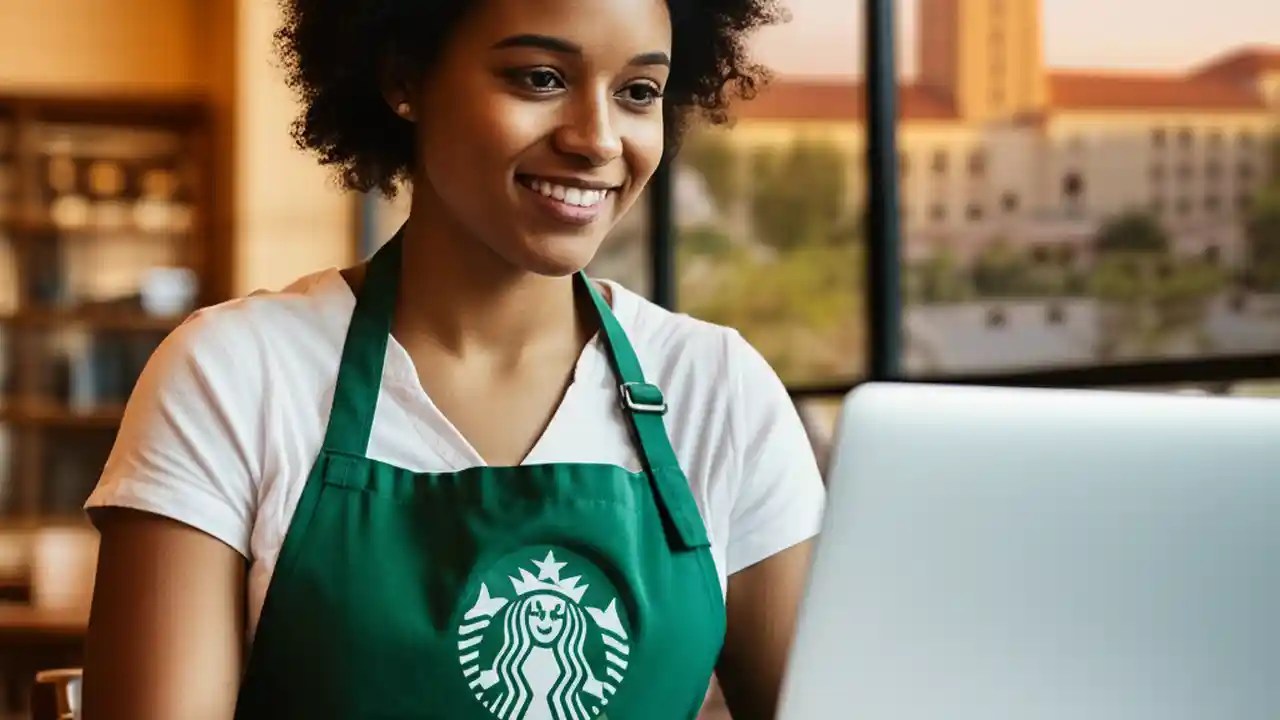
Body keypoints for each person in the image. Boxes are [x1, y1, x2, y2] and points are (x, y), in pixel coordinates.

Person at [80, 0, 825, 717]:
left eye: (637, 91)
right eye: (541, 78)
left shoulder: (717, 389)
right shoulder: (236, 377)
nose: (598, 138)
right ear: (404, 80)